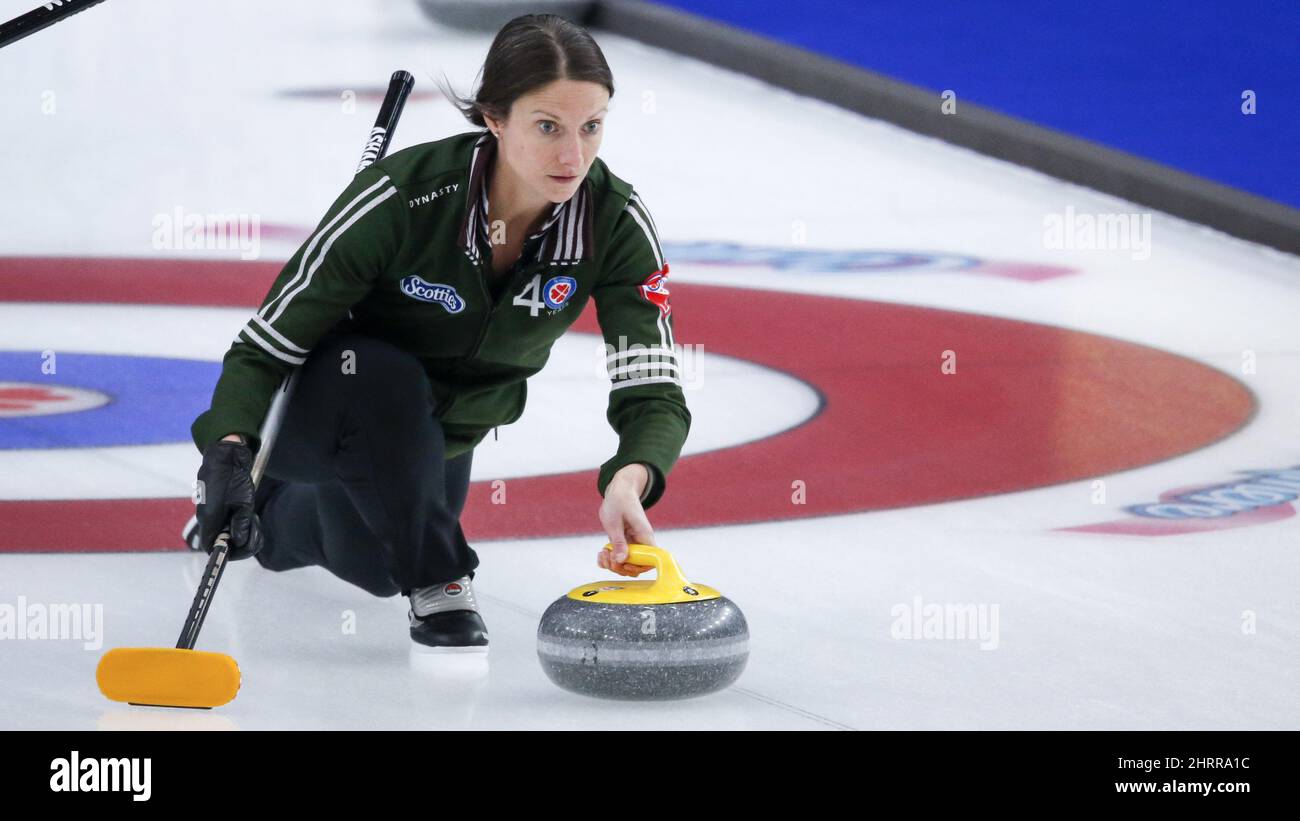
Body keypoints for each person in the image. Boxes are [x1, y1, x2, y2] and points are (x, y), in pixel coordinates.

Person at [185, 13, 690, 654]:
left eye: (591, 126)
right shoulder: (401, 198)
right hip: (326, 409)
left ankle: (269, 517)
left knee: (376, 567)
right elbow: (263, 349)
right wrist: (229, 450)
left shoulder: (612, 223)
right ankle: (441, 577)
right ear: (494, 118)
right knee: (380, 375)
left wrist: (632, 475)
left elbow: (652, 383)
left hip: (437, 441)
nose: (574, 155)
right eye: (548, 126)